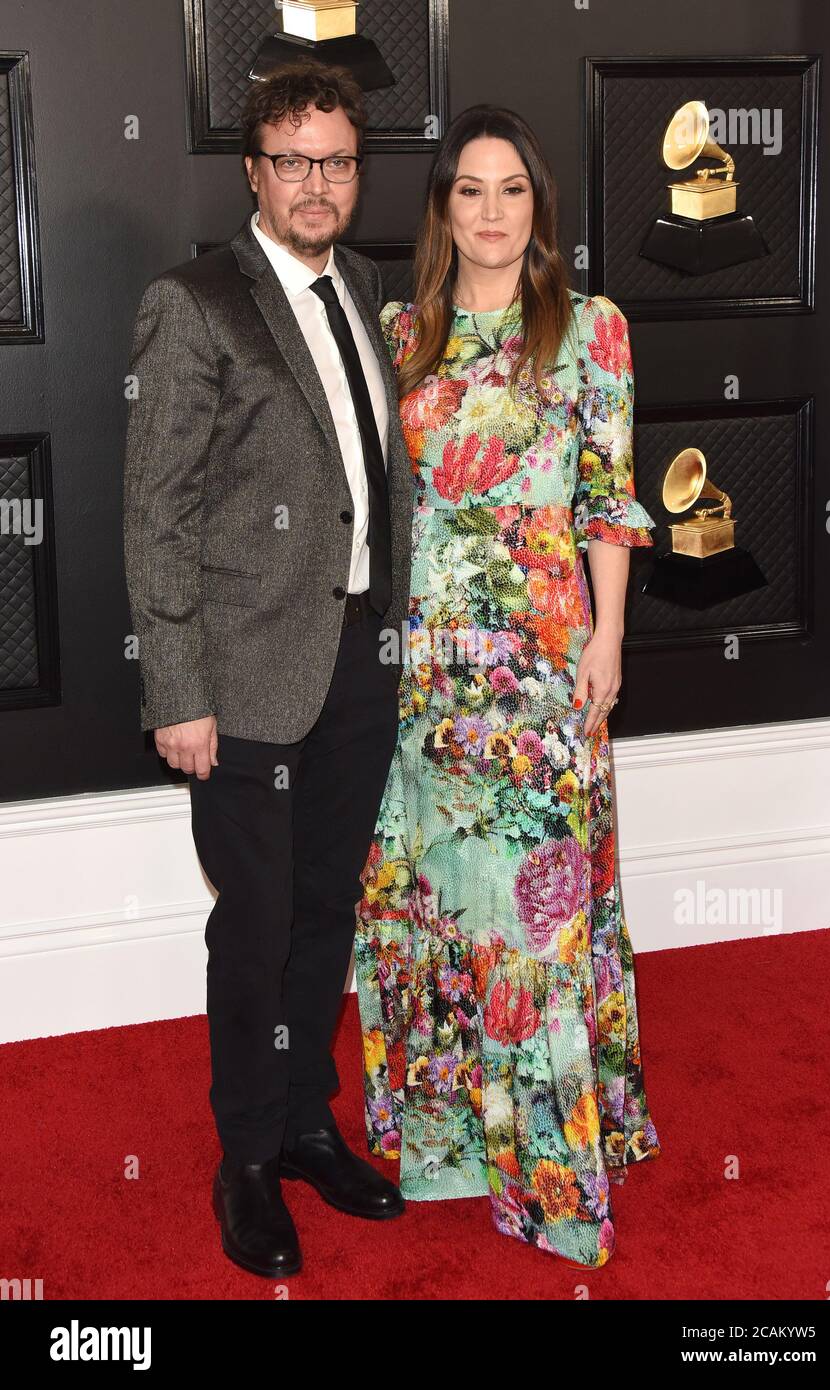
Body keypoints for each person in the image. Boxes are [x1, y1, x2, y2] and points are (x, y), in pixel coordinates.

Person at [354, 104, 662, 1267]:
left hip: (541, 668)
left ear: (539, 208)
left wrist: (607, 637)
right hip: (429, 673)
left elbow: (608, 498)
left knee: (535, 913)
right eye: (467, 191)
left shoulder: (589, 330)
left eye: (511, 190)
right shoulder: (399, 334)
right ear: (441, 208)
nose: (489, 212)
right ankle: (443, 1143)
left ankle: (547, 1175)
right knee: (437, 904)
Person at [122, 60, 414, 1279]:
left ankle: (305, 1123)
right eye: (292, 159)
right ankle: (245, 1157)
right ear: (253, 171)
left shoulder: (368, 289)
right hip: (239, 680)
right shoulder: (194, 304)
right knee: (254, 927)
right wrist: (176, 690)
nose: (315, 182)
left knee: (323, 909)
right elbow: (157, 511)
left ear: (356, 172)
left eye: (336, 160)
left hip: (357, 659)